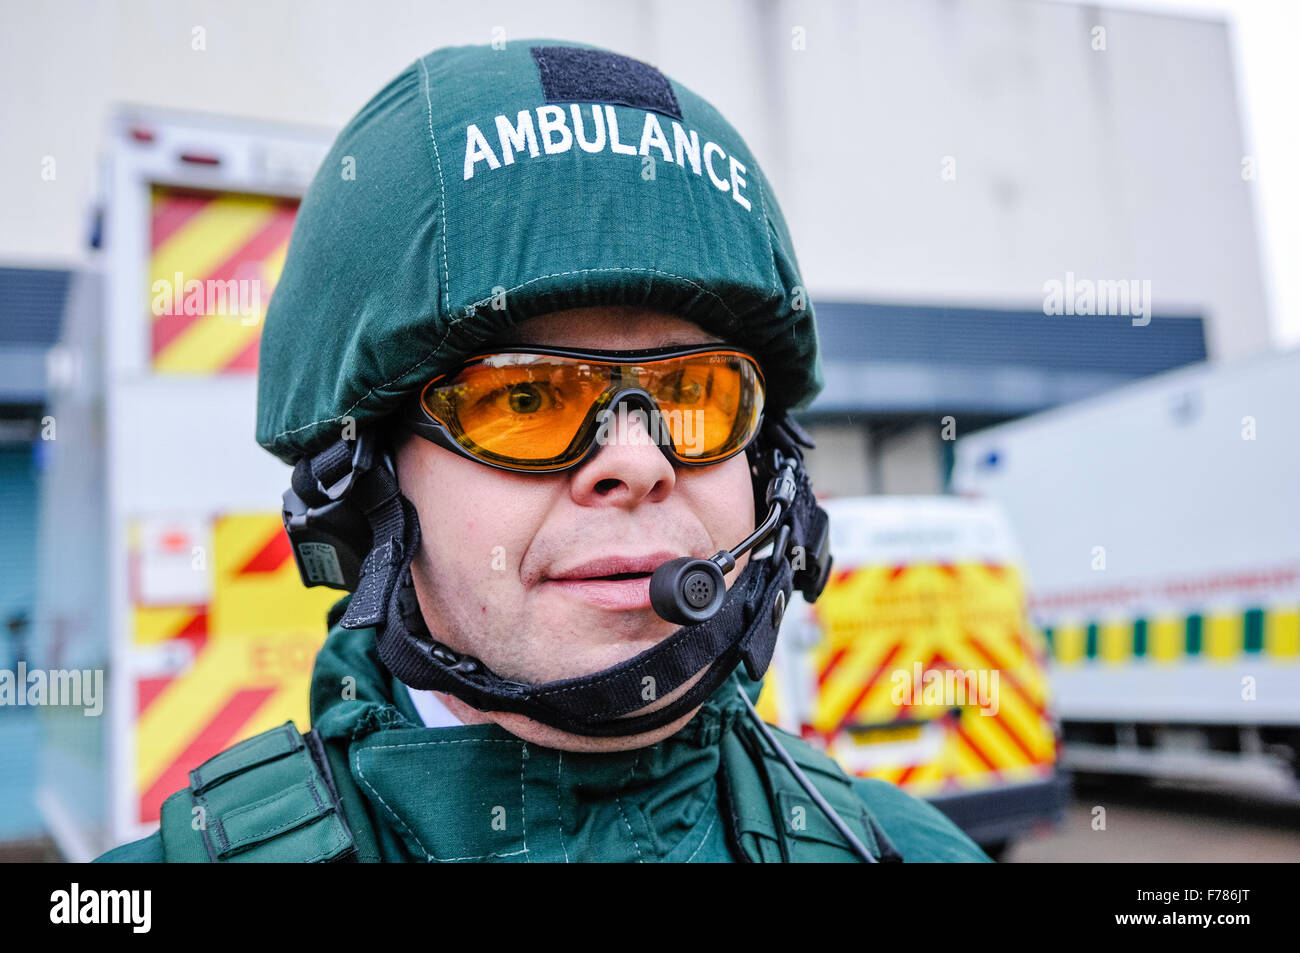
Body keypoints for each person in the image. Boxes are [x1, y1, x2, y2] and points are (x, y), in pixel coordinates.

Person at [96, 39, 990, 863]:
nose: (641, 462)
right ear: (359, 481)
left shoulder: (903, 846)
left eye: (695, 393)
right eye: (523, 397)